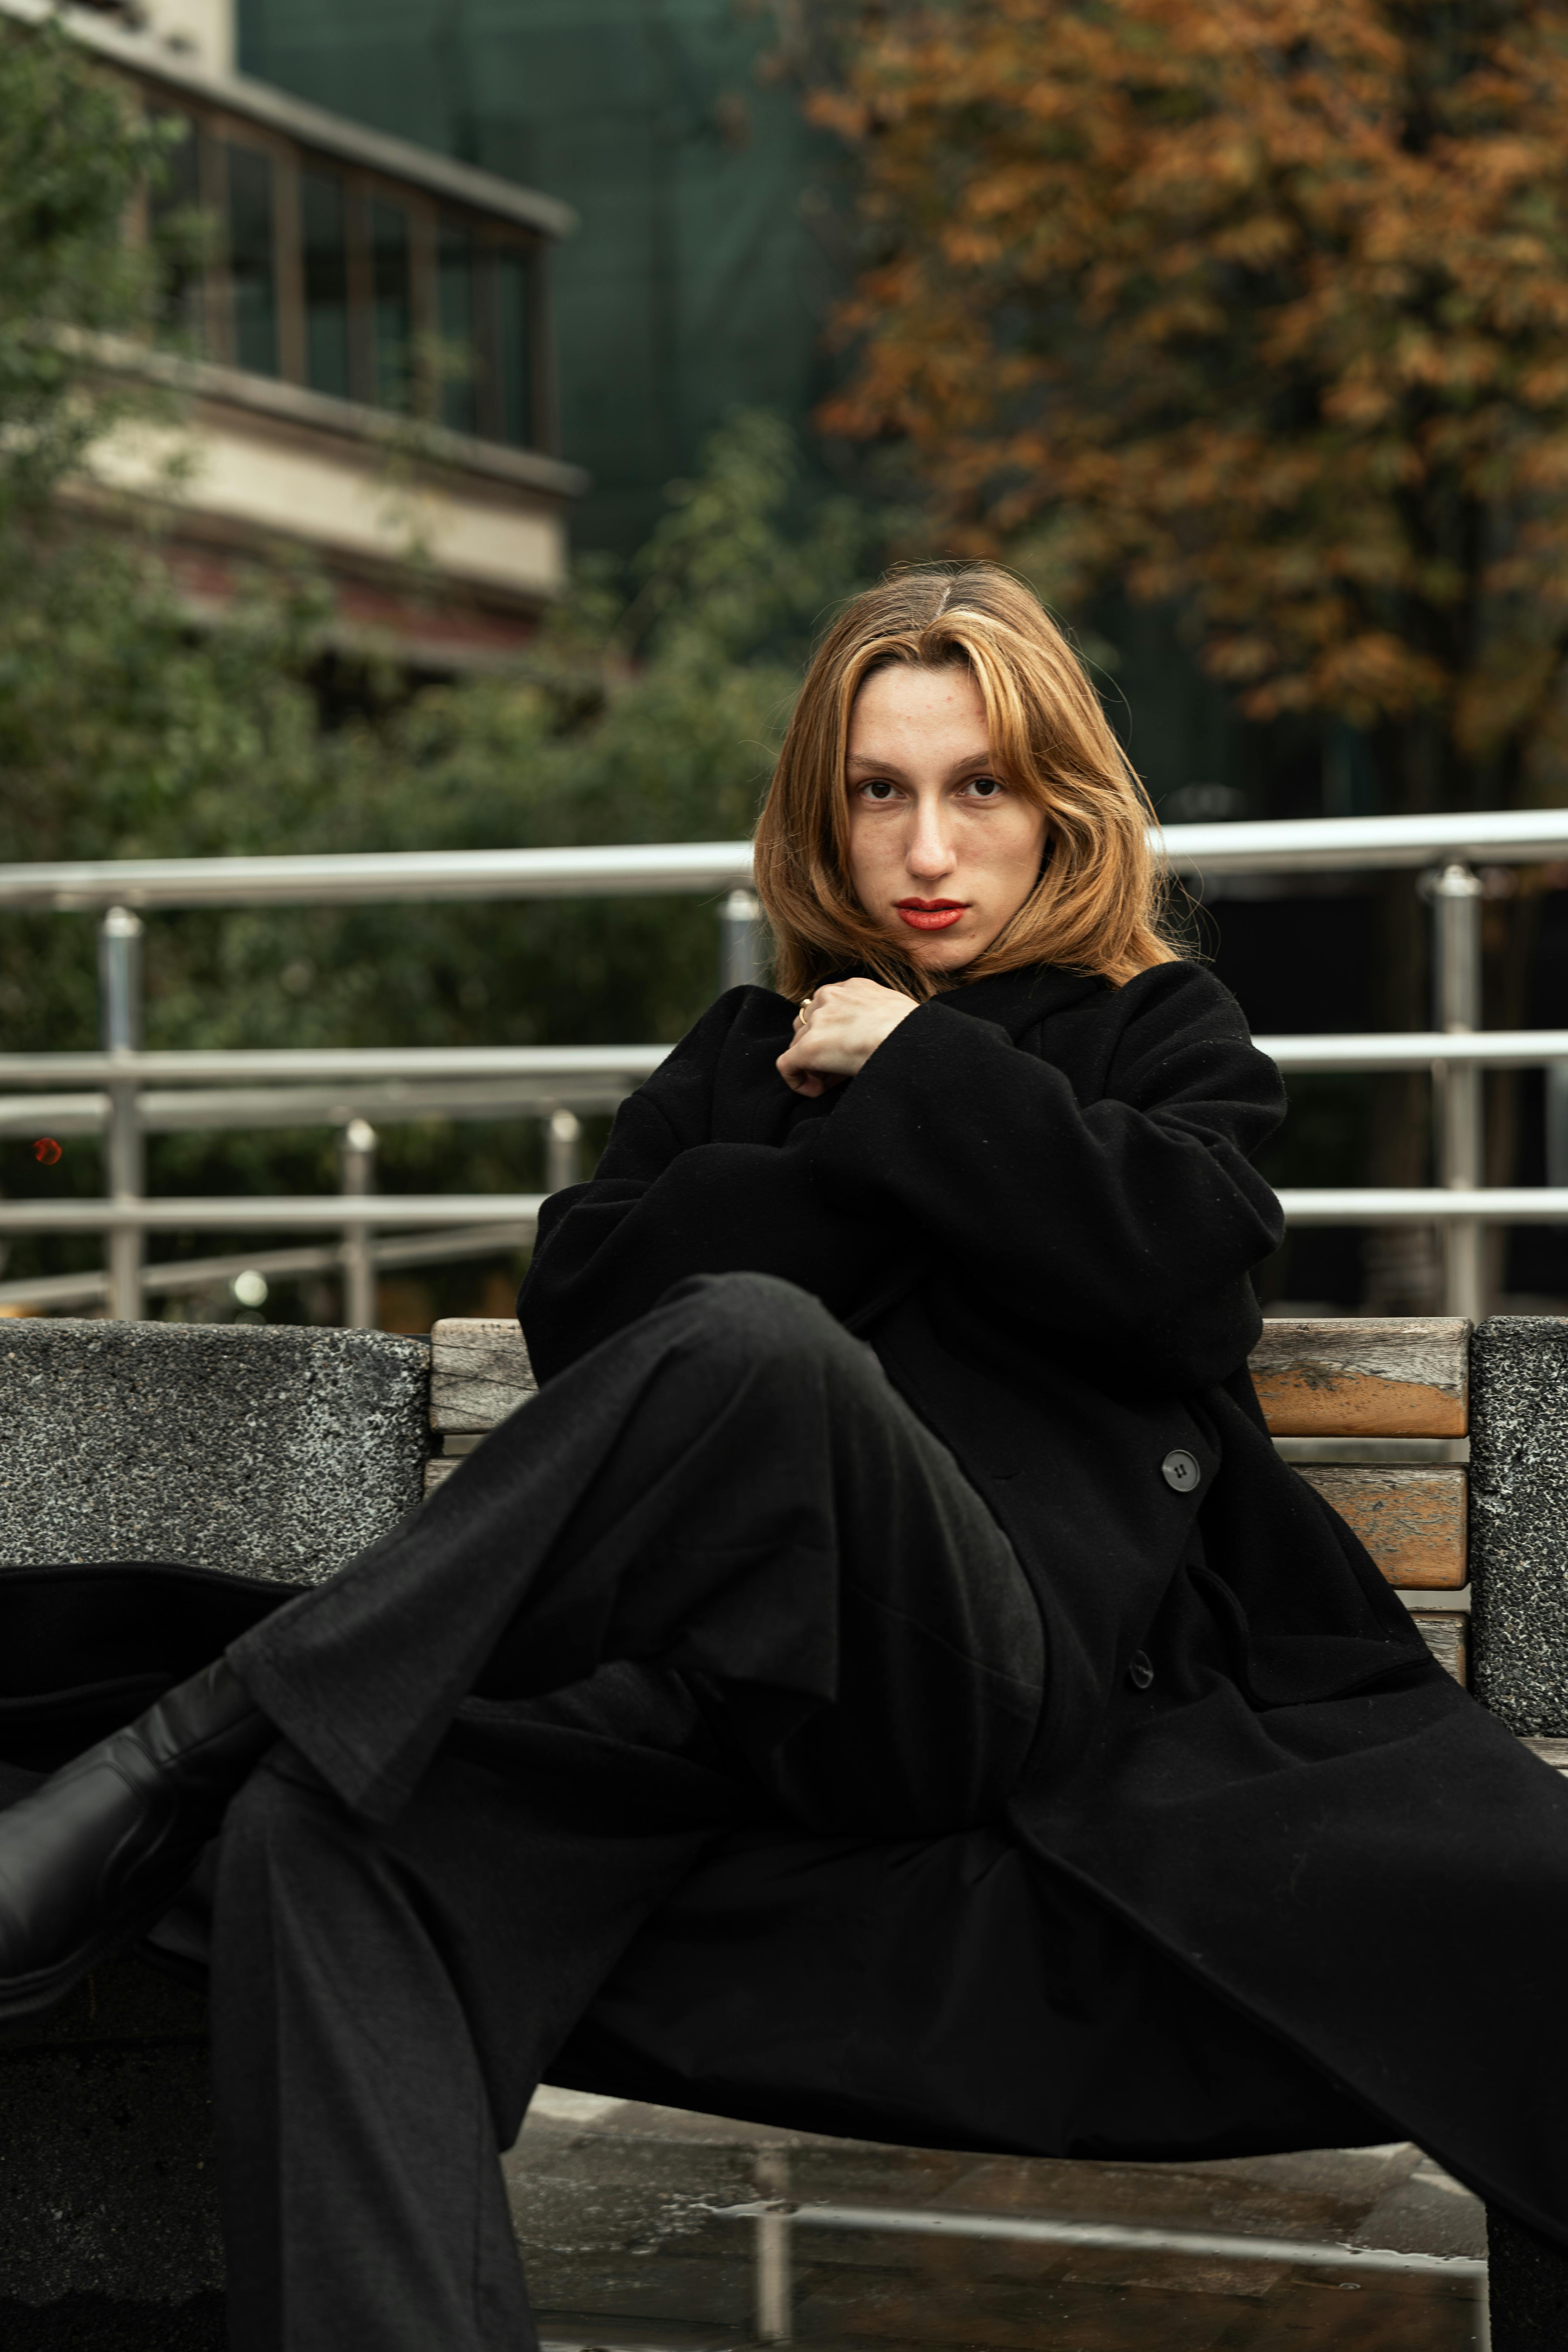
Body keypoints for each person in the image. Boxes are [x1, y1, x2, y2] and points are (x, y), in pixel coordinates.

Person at [0, 564, 1566, 2348]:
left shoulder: (1160, 1037)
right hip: (731, 1697)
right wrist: (863, 1141)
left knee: (756, 1341)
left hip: (1005, 1670)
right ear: (824, 818)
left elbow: (1179, 1275)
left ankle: (172, 1750)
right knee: (324, 1830)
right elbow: (591, 1304)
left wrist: (908, 1080)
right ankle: (253, 1805)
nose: (929, 847)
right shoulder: (740, 1055)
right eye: (879, 791)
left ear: (1061, 806)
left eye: (981, 787)